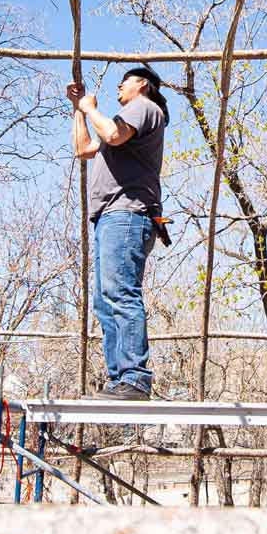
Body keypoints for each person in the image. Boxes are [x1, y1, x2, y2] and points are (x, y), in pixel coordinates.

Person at [69, 66, 170, 400]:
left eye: (125, 80)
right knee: (105, 299)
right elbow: (83, 149)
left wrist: (90, 107)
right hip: (111, 216)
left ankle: (135, 378)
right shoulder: (124, 117)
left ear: (142, 84)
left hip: (126, 212)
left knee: (120, 293)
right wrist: (79, 111)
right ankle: (120, 379)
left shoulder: (143, 107)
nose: (119, 85)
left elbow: (113, 135)